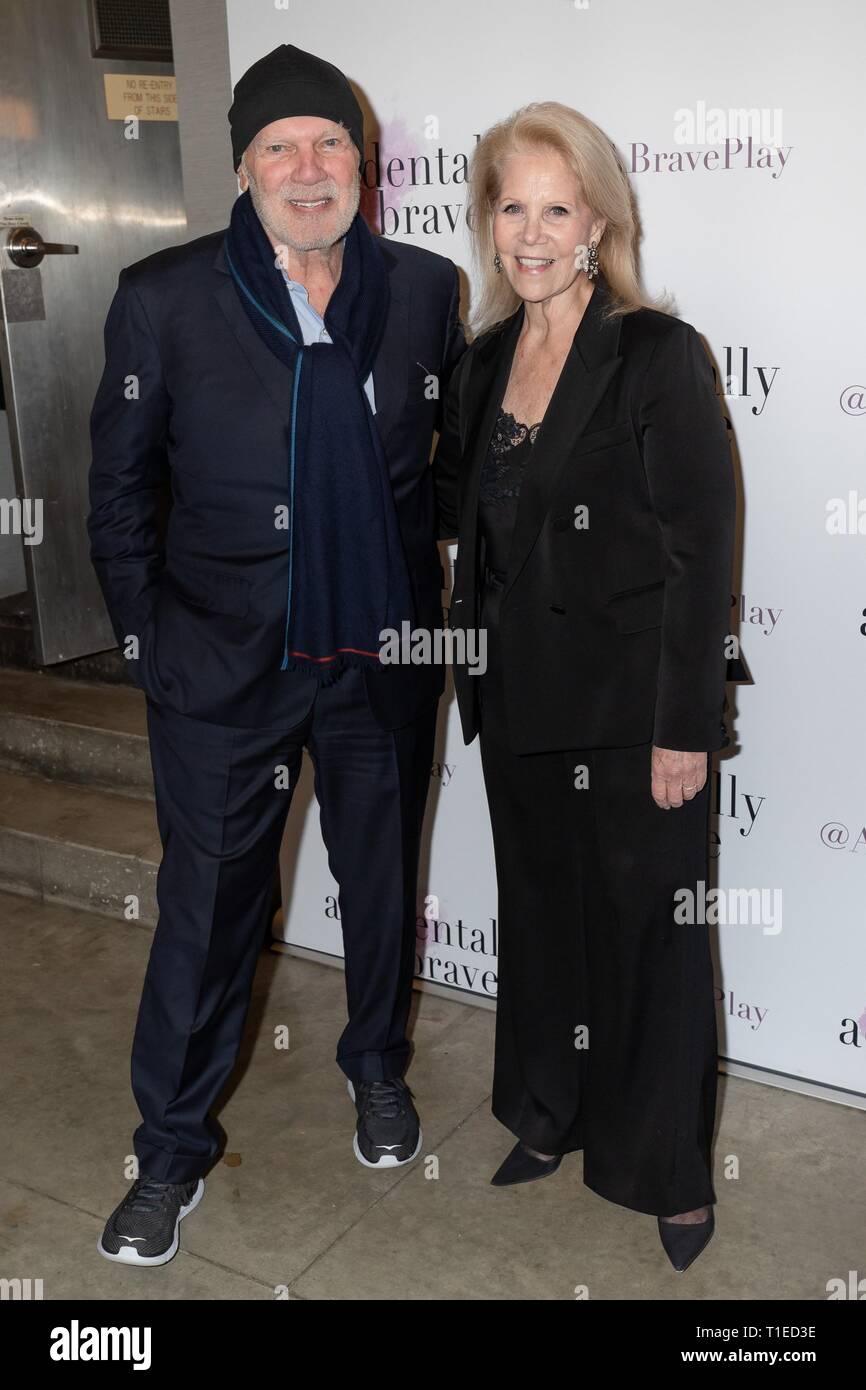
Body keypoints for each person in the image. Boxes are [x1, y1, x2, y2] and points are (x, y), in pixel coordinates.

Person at [88, 43, 465, 1266]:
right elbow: (117, 498)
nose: (309, 169)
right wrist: (158, 649)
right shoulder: (164, 298)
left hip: (375, 658)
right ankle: (169, 1149)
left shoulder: (422, 289)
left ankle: (376, 1071)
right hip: (222, 669)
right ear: (243, 167)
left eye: (331, 145)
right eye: (281, 148)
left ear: (364, 162)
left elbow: (446, 478)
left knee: (378, 886)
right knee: (203, 915)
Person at [434, 102, 735, 1272]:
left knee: (651, 942)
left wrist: (682, 728)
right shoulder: (477, 362)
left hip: (630, 714)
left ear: (596, 219)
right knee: (543, 928)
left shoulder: (655, 353)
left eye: (555, 206)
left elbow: (697, 551)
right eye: (510, 204)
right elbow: (460, 516)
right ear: (487, 220)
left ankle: (665, 1170)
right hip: (516, 705)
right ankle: (547, 1113)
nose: (530, 229)